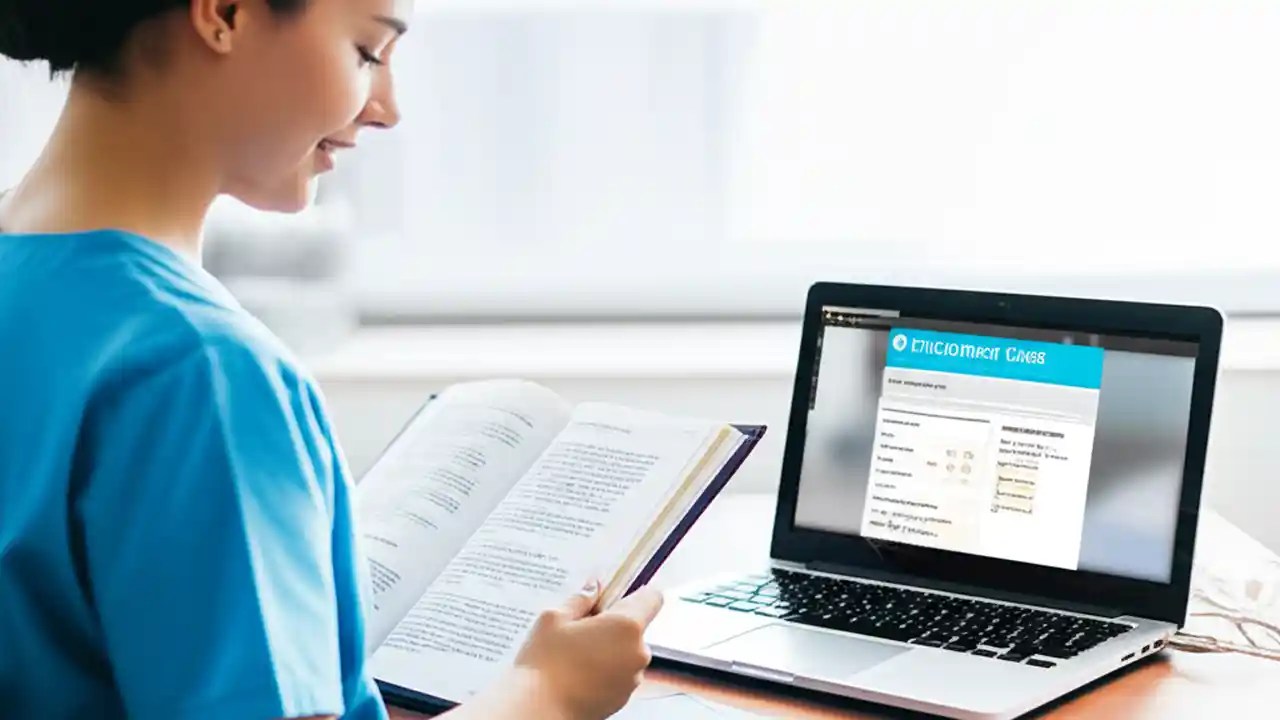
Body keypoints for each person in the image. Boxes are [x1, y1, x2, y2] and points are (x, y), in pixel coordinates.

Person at [0, 1, 663, 719]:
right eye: (366, 52)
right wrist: (548, 693)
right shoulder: (201, 371)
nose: (387, 109)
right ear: (223, 14)